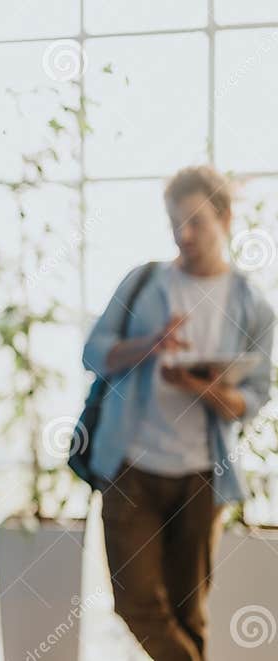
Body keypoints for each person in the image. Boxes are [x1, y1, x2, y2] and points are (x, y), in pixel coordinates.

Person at [82, 165, 274, 660]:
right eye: (174, 222)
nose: (183, 235)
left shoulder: (251, 304)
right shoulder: (144, 282)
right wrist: (149, 346)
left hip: (202, 479)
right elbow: (93, 353)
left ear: (225, 217)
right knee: (134, 601)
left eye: (196, 222)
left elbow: (252, 398)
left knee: (191, 614)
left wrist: (203, 388)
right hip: (131, 472)